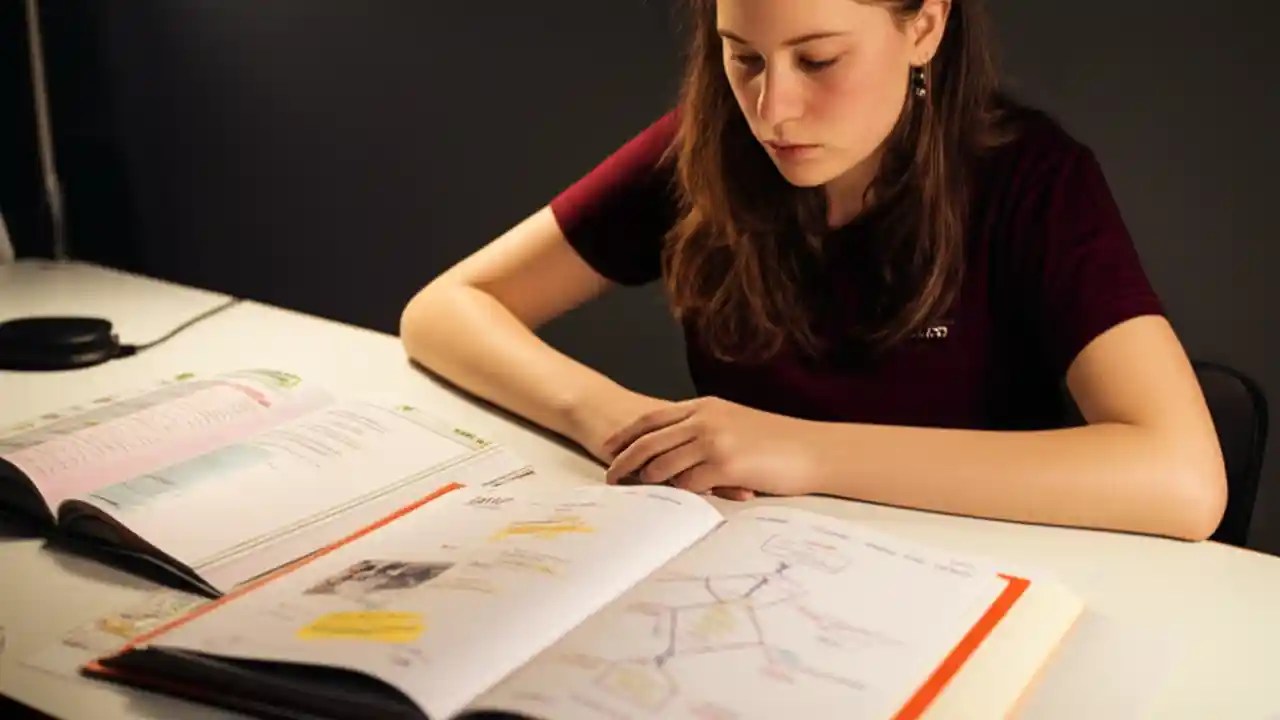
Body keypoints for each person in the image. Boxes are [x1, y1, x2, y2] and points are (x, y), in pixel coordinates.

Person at [400, 0, 1226, 541]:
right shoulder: (711, 143)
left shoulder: (1034, 180)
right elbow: (444, 309)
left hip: (970, 581)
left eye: (819, 60)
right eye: (743, 58)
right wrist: (623, 423)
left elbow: (1184, 479)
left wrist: (799, 451)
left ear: (925, 25)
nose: (772, 111)